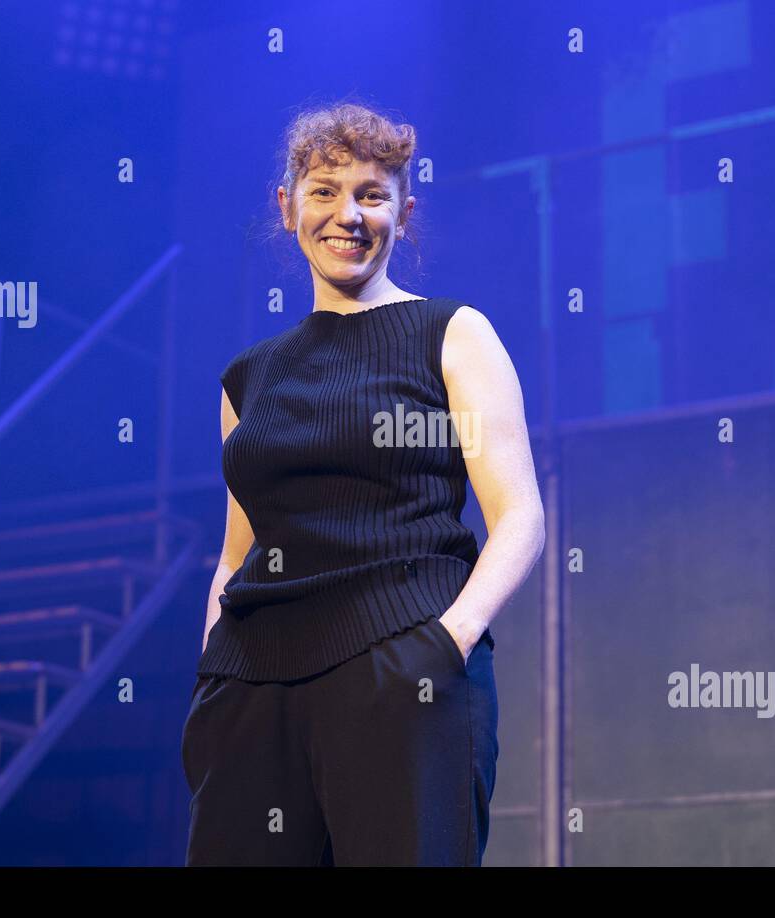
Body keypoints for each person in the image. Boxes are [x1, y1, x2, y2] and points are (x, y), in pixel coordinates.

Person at [180, 102, 545, 866]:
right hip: (251, 688)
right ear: (287, 207)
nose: (348, 214)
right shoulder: (249, 377)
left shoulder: (452, 333)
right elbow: (235, 551)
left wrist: (443, 645)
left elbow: (519, 519)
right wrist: (211, 669)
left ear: (403, 214)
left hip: (401, 671)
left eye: (372, 194)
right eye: (324, 190)